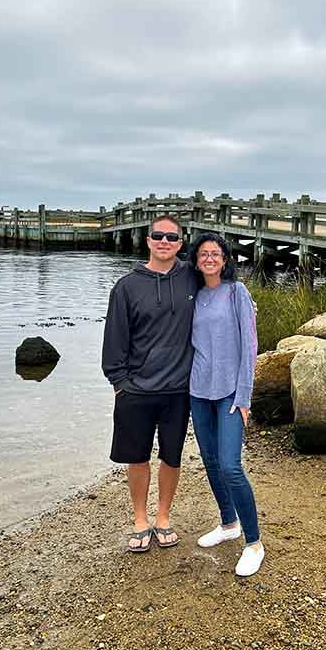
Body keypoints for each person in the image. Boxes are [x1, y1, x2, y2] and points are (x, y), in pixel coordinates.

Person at [102, 214, 197, 552]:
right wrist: (119, 382)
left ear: (181, 243)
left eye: (172, 238)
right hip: (136, 390)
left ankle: (163, 517)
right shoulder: (126, 286)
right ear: (147, 240)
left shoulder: (191, 277)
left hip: (178, 390)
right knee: (137, 457)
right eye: (158, 236)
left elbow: (223, 280)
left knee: (171, 456)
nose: (164, 242)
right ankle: (140, 519)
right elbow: (114, 338)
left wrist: (246, 305)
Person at [188, 232, 264, 577]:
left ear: (225, 259)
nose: (209, 258)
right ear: (196, 259)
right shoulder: (194, 295)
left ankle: (253, 544)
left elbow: (250, 345)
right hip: (198, 391)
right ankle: (228, 523)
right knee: (211, 460)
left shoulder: (237, 292)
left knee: (231, 465)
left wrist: (245, 397)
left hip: (231, 394)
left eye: (215, 253)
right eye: (203, 253)